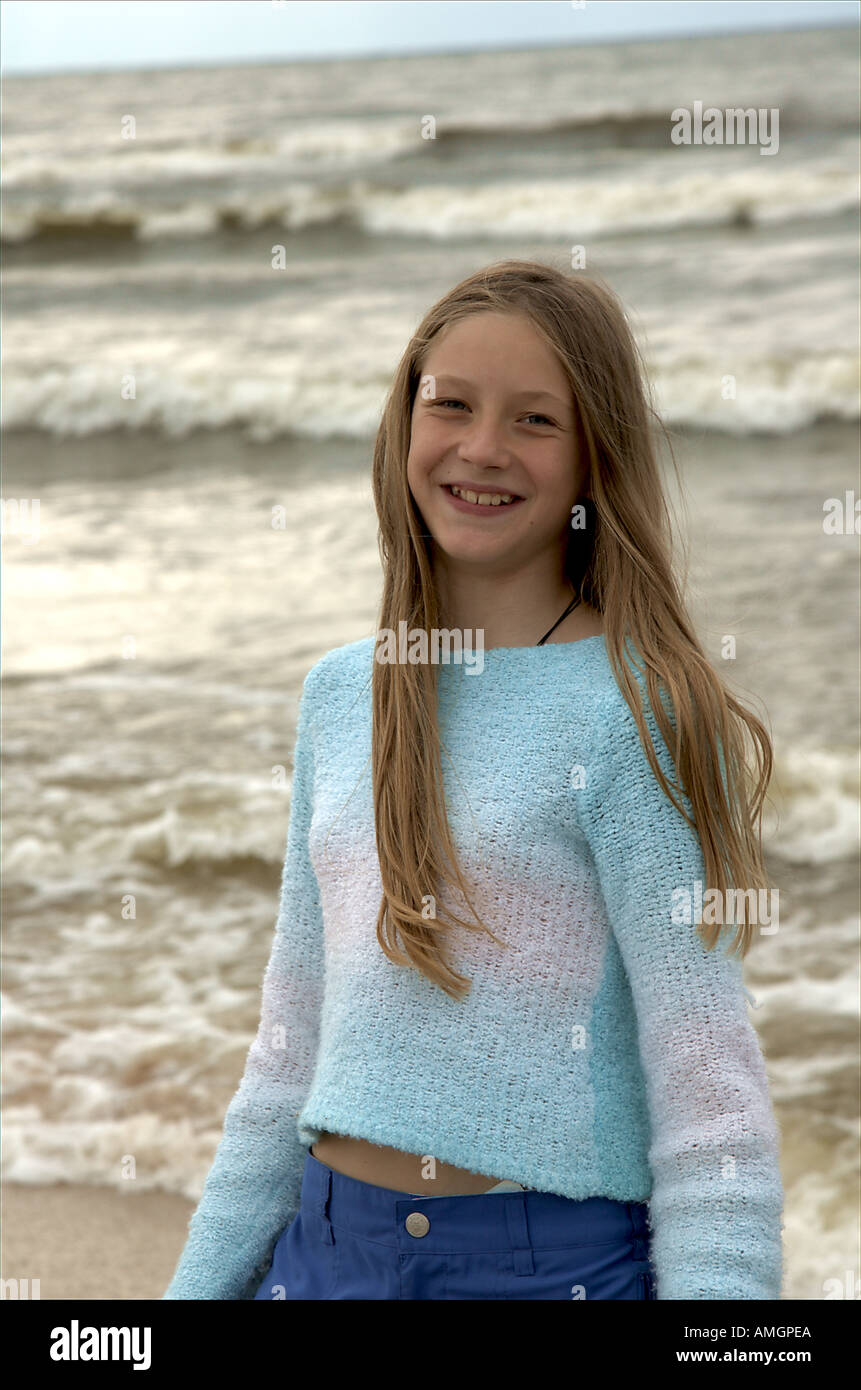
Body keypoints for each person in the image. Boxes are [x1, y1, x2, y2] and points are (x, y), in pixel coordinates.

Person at [163, 259, 784, 1300]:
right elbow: (286, 1055)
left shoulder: (643, 711)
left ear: (595, 457)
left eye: (536, 420)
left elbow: (709, 1091)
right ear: (406, 421)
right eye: (450, 403)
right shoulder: (338, 697)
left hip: (548, 1270)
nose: (482, 447)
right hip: (320, 1257)